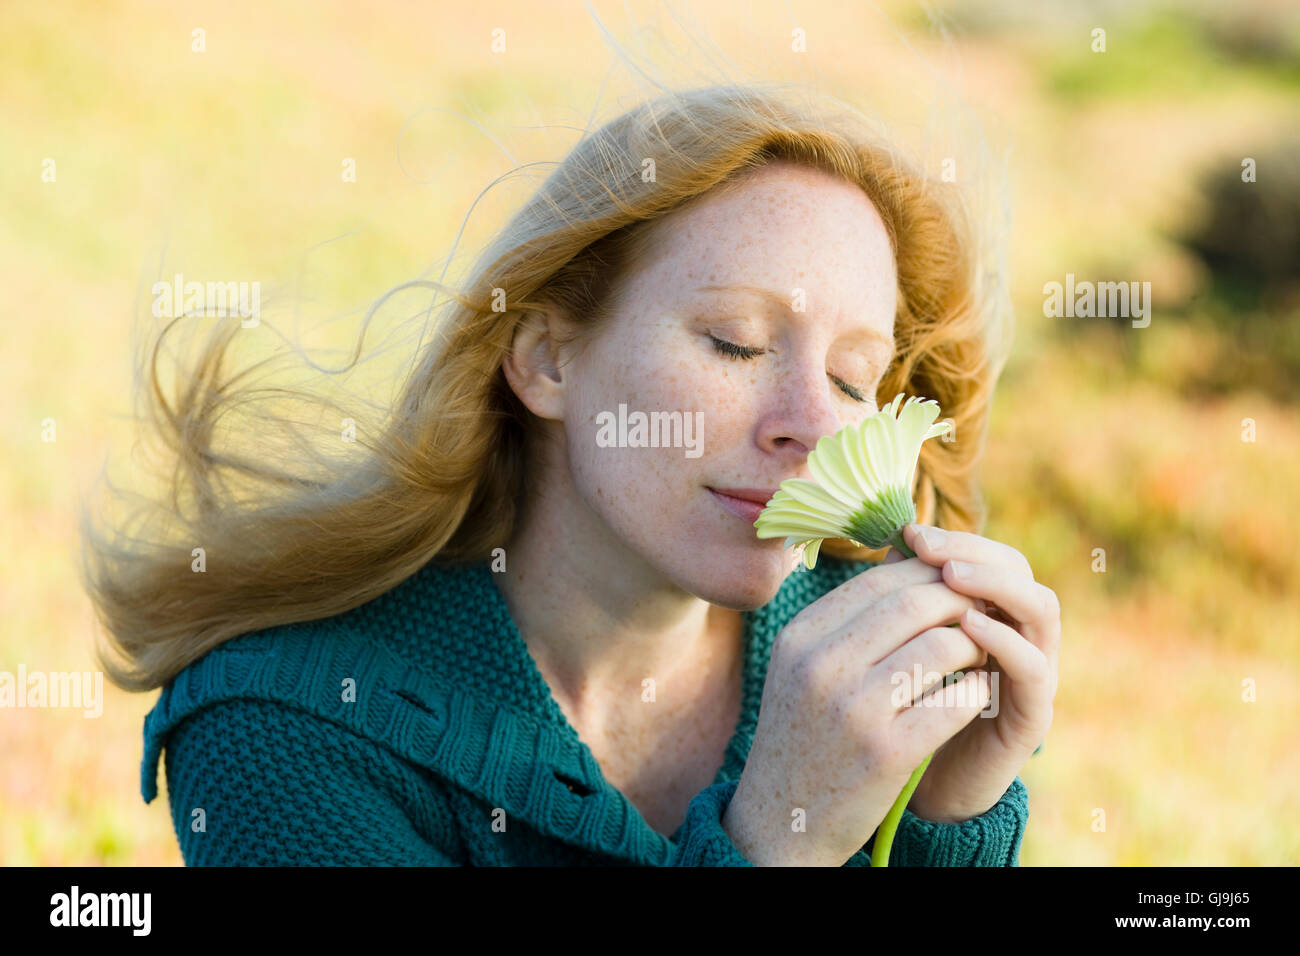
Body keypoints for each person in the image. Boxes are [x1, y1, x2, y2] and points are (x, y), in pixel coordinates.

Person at [82, 82, 1059, 866]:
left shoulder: (865, 661)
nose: (812, 426)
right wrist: (777, 840)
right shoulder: (286, 723)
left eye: (853, 377)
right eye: (736, 342)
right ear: (547, 358)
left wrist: (948, 811)